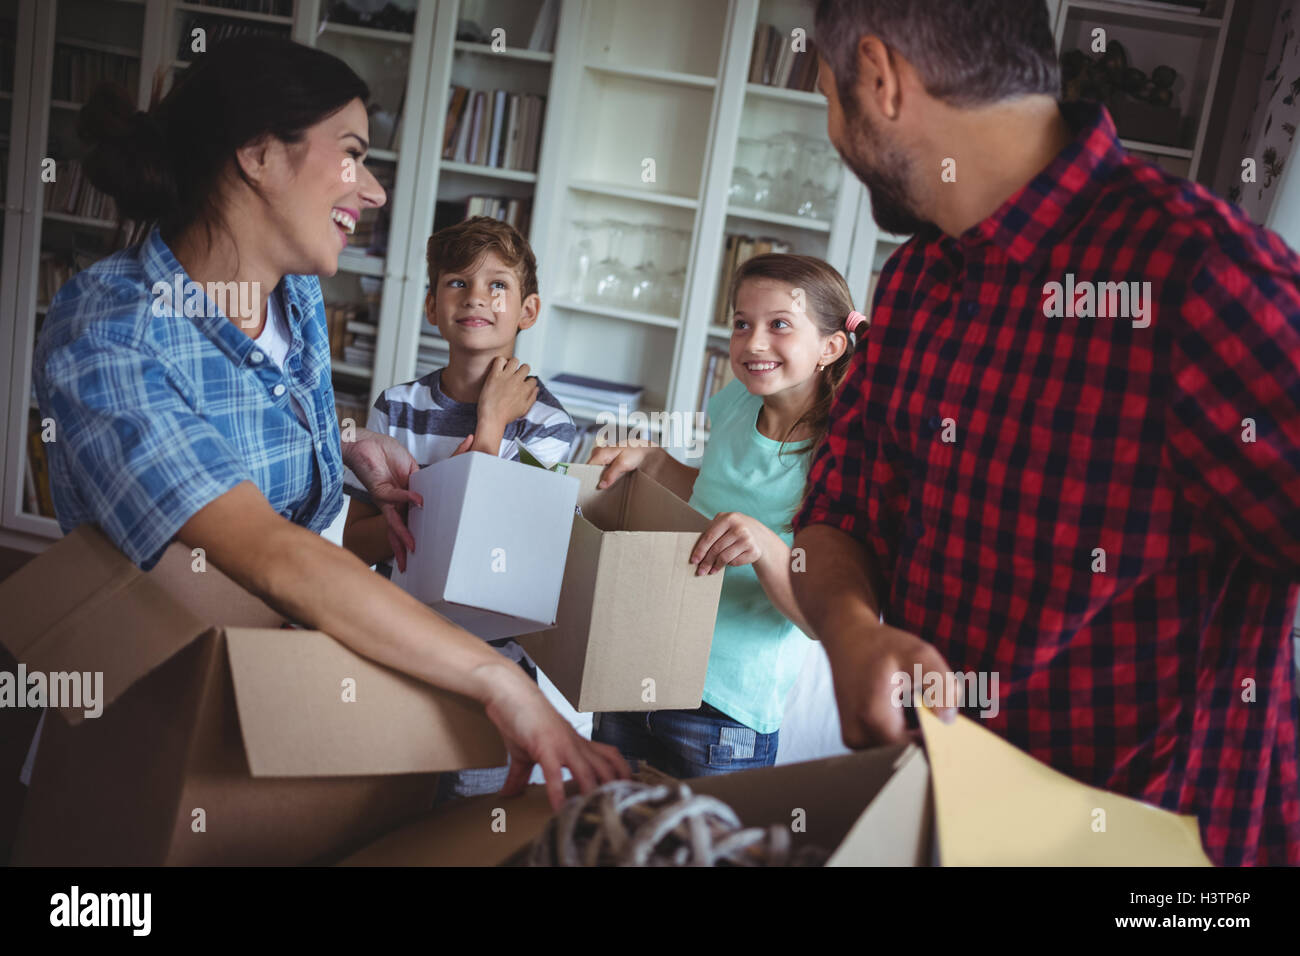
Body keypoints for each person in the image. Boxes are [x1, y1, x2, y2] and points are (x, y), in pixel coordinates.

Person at [32, 36, 627, 811]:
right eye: (352, 154)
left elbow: (296, 513)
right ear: (258, 155)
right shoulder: (111, 331)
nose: (375, 192)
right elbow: (268, 552)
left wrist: (347, 443)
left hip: (301, 691)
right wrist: (496, 683)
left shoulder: (297, 297)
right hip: (169, 724)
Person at [792, 0, 1300, 864]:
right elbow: (837, 511)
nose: (836, 130)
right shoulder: (916, 284)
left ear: (878, 78)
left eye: (831, 98)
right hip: (948, 831)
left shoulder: (1196, 274)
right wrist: (851, 629)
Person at [588, 254, 858, 776]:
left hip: (724, 710)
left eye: (779, 324)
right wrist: (655, 462)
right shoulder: (735, 401)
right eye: (741, 323)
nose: (754, 343)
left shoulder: (842, 453)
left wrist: (762, 544)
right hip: (638, 662)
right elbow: (711, 496)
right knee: (604, 834)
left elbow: (816, 617)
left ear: (830, 346)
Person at [343, 215, 577, 801]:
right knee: (387, 812)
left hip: (490, 667)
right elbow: (356, 536)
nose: (476, 297)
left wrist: (491, 426)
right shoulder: (395, 406)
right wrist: (417, 521)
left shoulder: (550, 427)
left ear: (528, 311)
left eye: (498, 284)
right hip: (395, 647)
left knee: (472, 819)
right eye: (456, 283)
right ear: (430, 306)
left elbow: (489, 556)